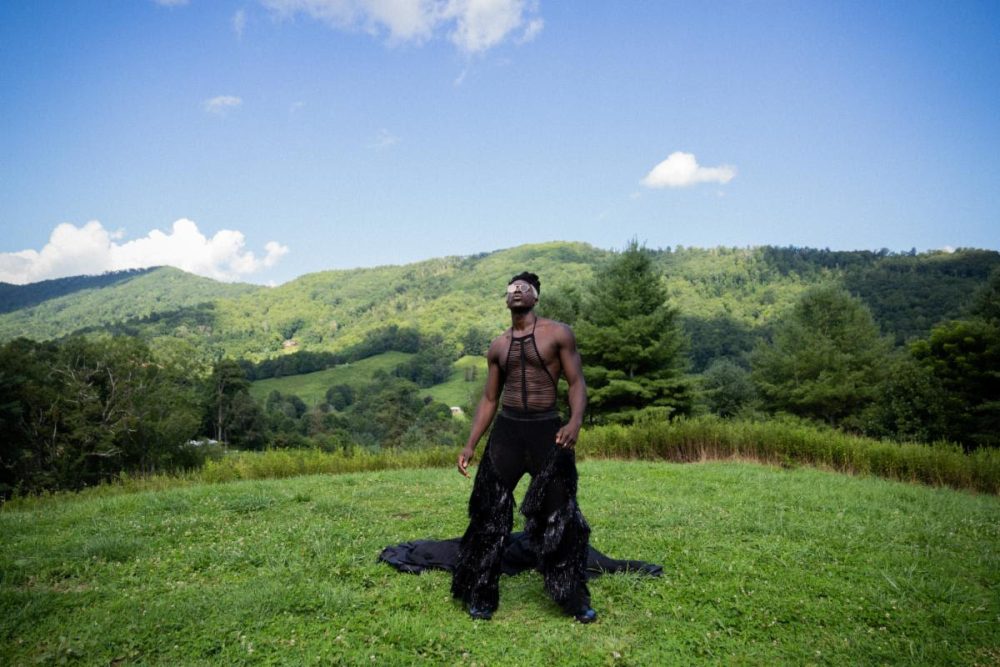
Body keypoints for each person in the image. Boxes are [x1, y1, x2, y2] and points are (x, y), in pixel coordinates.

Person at [450, 271, 597, 623]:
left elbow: (577, 383)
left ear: (535, 297)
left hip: (548, 431)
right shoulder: (498, 346)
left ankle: (572, 597)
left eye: (524, 288)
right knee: (488, 514)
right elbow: (489, 398)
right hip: (508, 433)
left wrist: (574, 422)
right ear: (505, 299)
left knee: (559, 516)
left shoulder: (557, 334)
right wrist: (470, 444)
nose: (516, 292)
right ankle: (481, 593)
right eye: (511, 289)